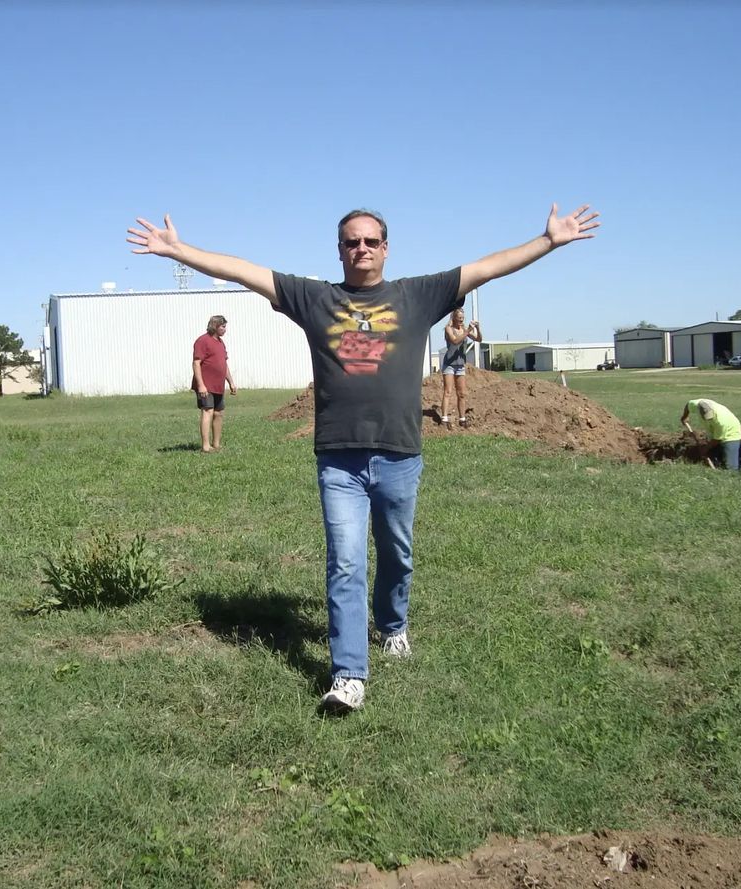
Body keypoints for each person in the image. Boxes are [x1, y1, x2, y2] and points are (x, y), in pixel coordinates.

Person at [128, 203, 599, 712]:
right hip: (339, 459)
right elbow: (244, 270)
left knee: (397, 555)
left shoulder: (417, 295)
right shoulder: (315, 299)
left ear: (386, 248)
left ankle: (393, 626)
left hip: (400, 454)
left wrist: (548, 241)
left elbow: (488, 266)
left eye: (371, 241)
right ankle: (349, 674)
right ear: (339, 250)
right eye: (352, 242)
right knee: (346, 562)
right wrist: (180, 251)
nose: (362, 249)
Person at [191, 315, 236, 453]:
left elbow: (224, 364)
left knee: (218, 413)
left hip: (218, 386)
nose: (225, 329)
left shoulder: (221, 343)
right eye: (223, 326)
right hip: (206, 385)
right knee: (207, 411)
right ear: (215, 326)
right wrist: (201, 385)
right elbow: (196, 363)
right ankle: (205, 446)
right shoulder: (202, 341)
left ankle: (216, 444)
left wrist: (231, 382)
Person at [439, 308, 482, 427]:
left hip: (460, 365)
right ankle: (444, 418)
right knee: (448, 391)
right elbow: (455, 341)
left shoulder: (464, 330)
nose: (461, 320)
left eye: (462, 318)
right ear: (454, 318)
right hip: (449, 365)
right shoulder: (449, 329)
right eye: (459, 318)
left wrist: (477, 328)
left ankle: (462, 419)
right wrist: (468, 330)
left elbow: (479, 339)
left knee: (462, 393)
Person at [680, 398, 741, 470]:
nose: (708, 419)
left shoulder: (721, 421)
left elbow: (717, 439)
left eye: (710, 416)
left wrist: (705, 448)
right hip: (713, 431)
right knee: (714, 454)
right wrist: (685, 416)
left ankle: (731, 474)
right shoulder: (697, 404)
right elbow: (688, 405)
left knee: (731, 467)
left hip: (731, 433)